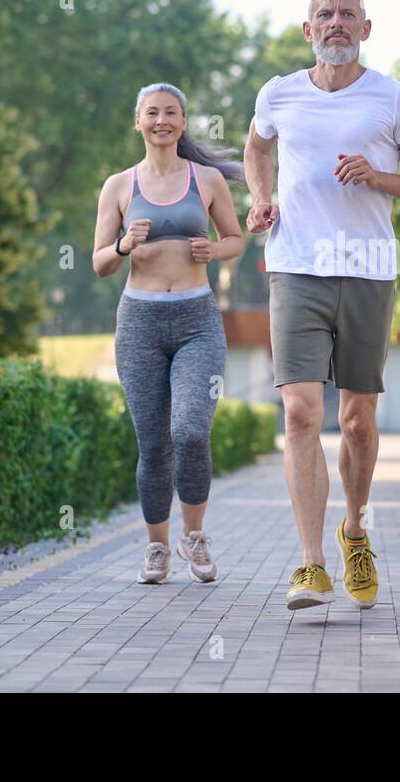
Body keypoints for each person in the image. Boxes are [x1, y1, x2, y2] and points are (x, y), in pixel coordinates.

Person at [244, 0, 400, 611]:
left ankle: (354, 528)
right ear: (308, 30)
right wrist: (260, 198)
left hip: (366, 269)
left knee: (358, 419)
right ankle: (310, 564)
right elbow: (256, 147)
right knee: (302, 413)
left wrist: (377, 175)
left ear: (366, 27)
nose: (336, 23)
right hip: (296, 267)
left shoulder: (392, 98)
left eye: (347, 15)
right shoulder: (278, 93)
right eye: (324, 15)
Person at [92, 82, 246, 585]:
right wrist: (121, 244)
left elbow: (235, 239)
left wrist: (213, 252)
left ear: (183, 122)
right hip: (139, 324)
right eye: (152, 113)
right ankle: (157, 548)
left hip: (197, 321)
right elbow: (99, 264)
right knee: (154, 442)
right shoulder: (119, 186)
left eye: (171, 113)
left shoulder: (205, 180)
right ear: (138, 122)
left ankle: (195, 537)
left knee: (191, 431)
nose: (162, 121)